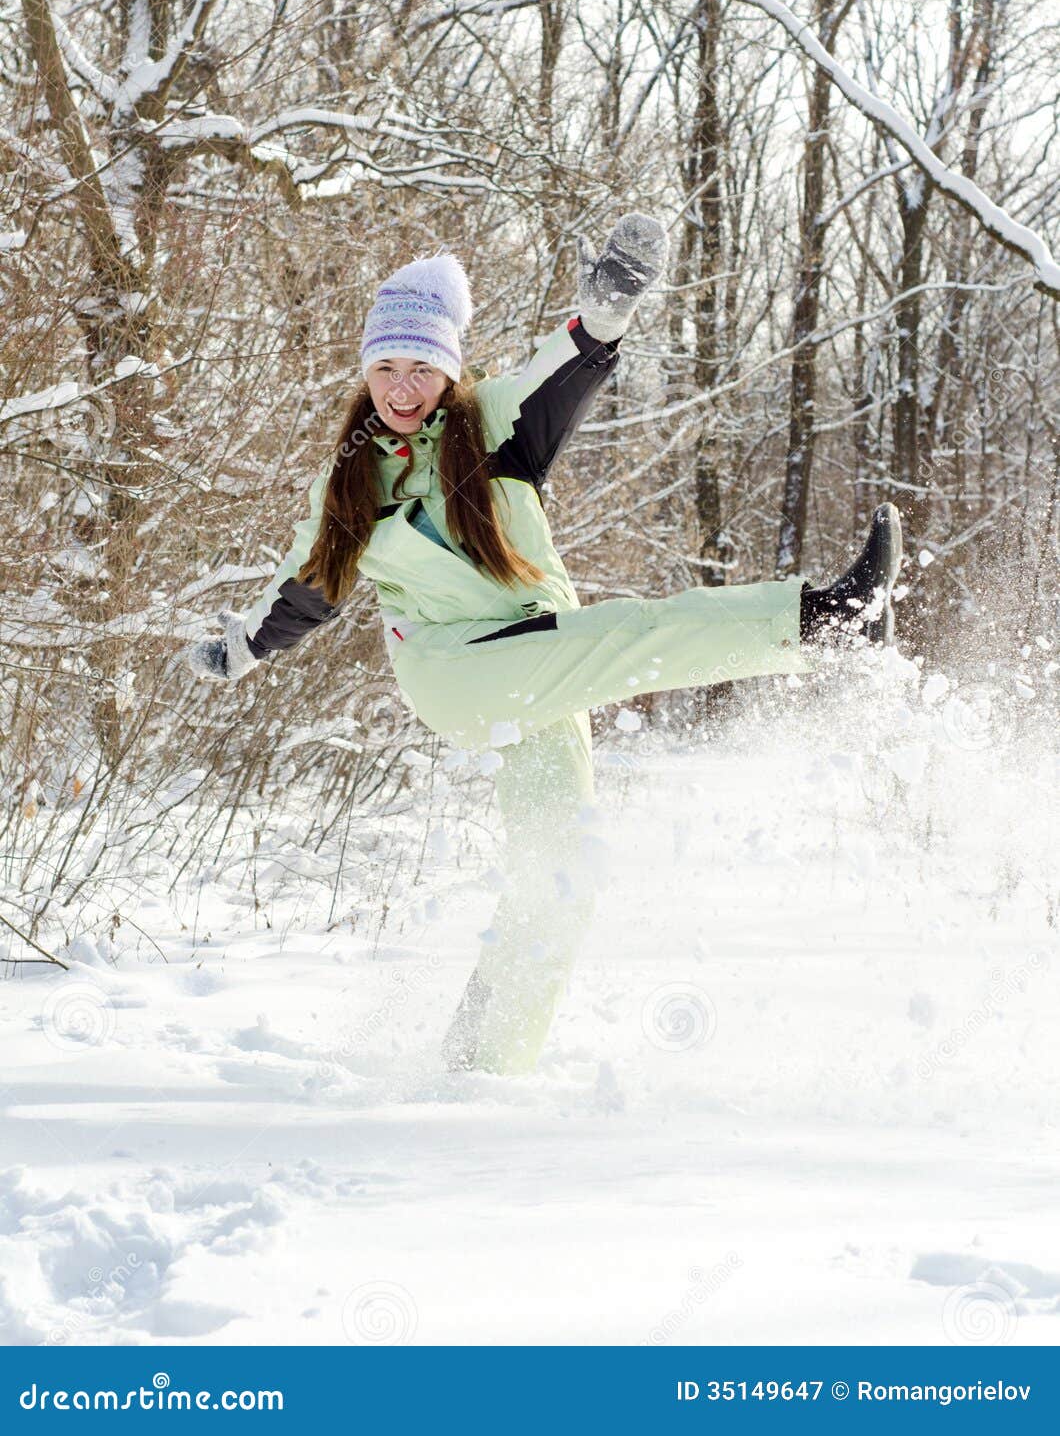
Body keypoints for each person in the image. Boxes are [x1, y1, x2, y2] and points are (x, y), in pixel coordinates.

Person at [185, 215, 903, 1073]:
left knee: (560, 878)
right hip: (456, 670)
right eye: (385, 368)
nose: (402, 389)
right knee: (633, 635)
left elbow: (559, 372)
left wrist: (606, 310)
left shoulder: (491, 424)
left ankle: (483, 1065)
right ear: (365, 372)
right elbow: (305, 588)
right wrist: (241, 649)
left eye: (422, 369)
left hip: (539, 661)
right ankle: (825, 618)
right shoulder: (350, 481)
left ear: (450, 373)